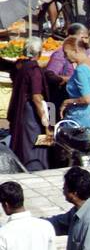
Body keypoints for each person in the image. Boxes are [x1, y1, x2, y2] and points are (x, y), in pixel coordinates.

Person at [3, 39, 51, 172]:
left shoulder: (21, 66)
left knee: (24, 142)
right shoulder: (34, 71)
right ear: (40, 53)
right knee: (36, 143)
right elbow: (36, 97)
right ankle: (36, 168)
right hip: (33, 114)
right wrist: (47, 125)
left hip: (23, 111)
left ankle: (23, 166)